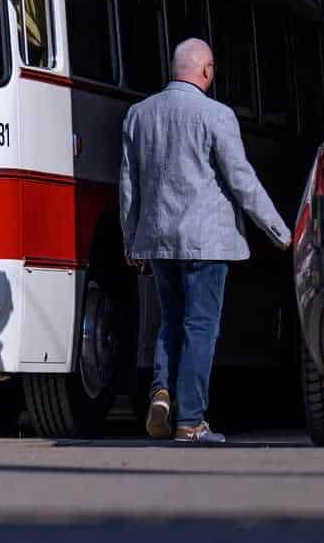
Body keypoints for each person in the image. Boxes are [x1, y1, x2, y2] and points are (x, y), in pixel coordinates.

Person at [120, 37, 292, 445]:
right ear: (207, 70)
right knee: (200, 326)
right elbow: (241, 180)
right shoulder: (216, 115)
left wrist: (131, 241)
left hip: (159, 240)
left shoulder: (138, 115)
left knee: (170, 321)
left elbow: (129, 185)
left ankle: (161, 391)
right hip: (206, 242)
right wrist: (279, 230)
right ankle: (191, 420)